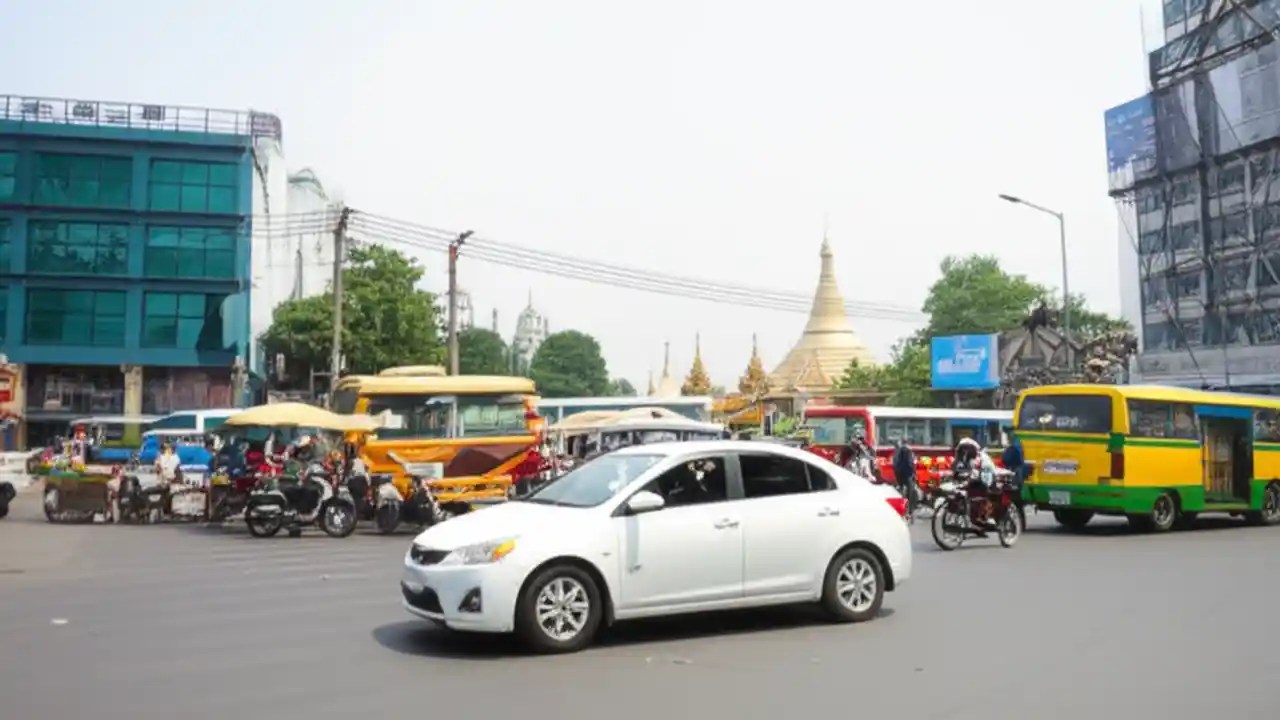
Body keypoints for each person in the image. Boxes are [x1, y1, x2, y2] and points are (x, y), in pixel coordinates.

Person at [891, 438, 918, 509]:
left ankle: (899, 503)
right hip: (906, 473)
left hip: (898, 472)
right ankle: (909, 507)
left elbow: (894, 463)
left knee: (901, 487)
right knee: (910, 489)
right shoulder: (908, 451)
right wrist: (913, 472)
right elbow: (909, 463)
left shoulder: (897, 451)